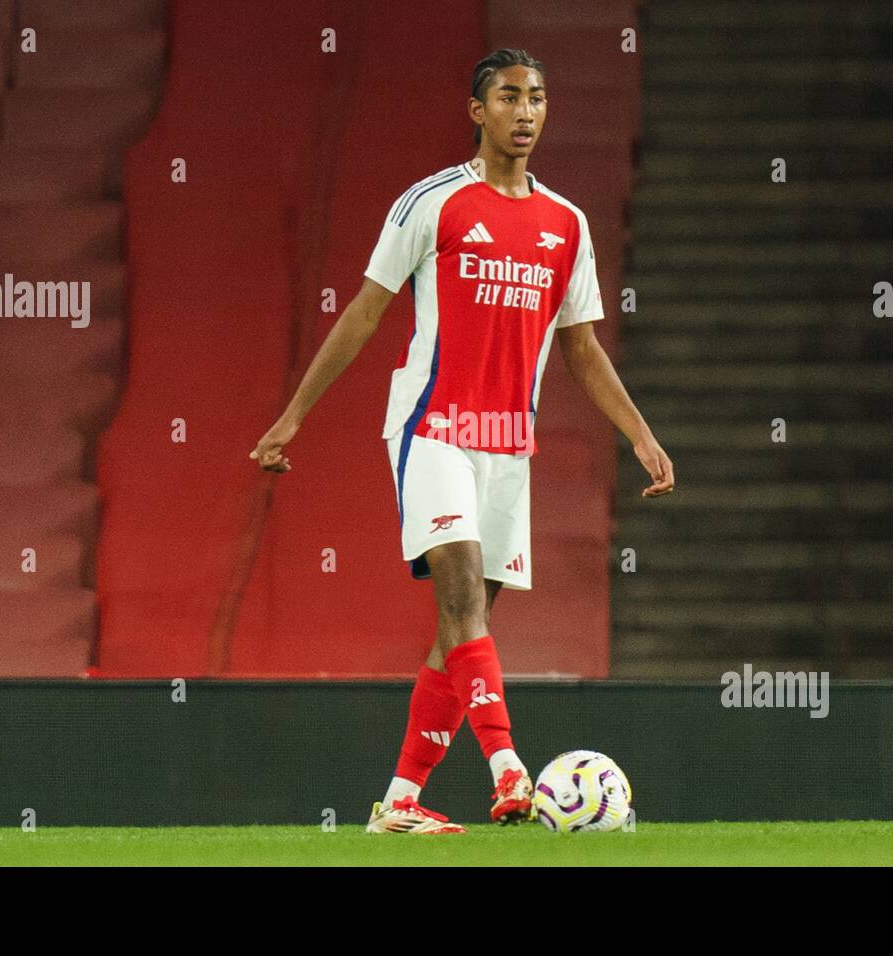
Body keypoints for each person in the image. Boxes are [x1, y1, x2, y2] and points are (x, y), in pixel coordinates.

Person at [250, 48, 674, 834]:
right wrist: (294, 414)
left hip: (509, 447)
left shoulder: (567, 224)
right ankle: (509, 771)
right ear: (478, 112)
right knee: (463, 600)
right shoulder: (432, 203)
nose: (525, 111)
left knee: (460, 634)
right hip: (434, 427)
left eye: (536, 97)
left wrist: (641, 435)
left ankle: (400, 800)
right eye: (509, 97)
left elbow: (582, 347)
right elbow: (365, 311)